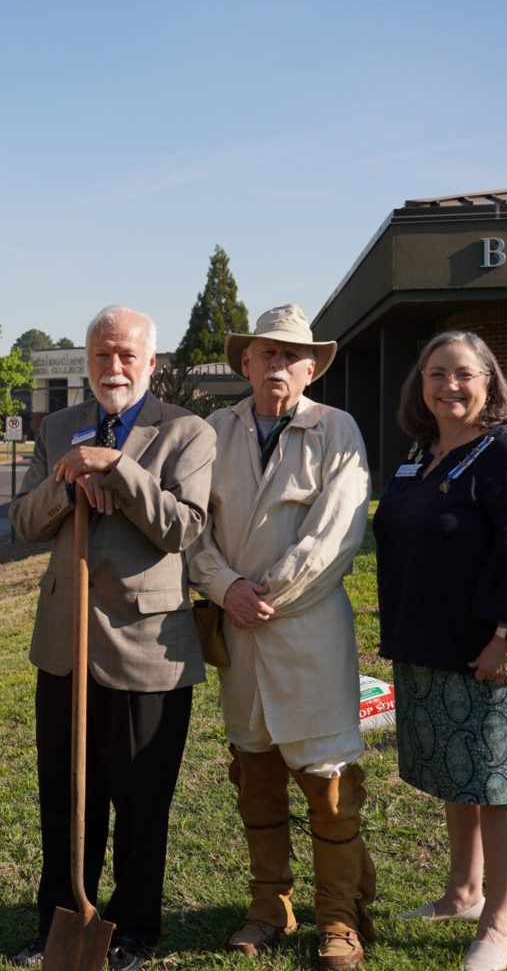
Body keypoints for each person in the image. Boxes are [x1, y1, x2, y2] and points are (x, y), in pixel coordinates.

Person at [7, 306, 215, 970]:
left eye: (127, 355)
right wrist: (70, 481)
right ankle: (60, 919)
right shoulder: (58, 428)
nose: (114, 367)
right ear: (87, 362)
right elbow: (23, 522)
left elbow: (183, 527)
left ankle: (132, 927)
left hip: (147, 646)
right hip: (65, 643)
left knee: (141, 798)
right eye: (102, 355)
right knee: (66, 795)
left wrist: (118, 469)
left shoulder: (187, 432)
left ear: (151, 362)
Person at [374, 331, 507, 971]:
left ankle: (498, 924)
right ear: (420, 385)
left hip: (493, 654)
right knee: (457, 775)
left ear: (489, 382)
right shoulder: (422, 452)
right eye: (436, 373)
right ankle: (462, 893)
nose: (448, 386)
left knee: (505, 782)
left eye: (463, 373)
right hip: (431, 644)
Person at [187, 304, 375, 969]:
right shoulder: (214, 430)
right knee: (255, 774)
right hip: (239, 632)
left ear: (311, 368)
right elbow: (192, 526)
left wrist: (264, 592)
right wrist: (224, 588)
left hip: (307, 631)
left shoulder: (337, 429)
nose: (278, 365)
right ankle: (270, 906)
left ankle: (340, 918)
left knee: (328, 781)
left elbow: (337, 531)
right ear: (245, 362)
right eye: (267, 353)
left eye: (292, 356)